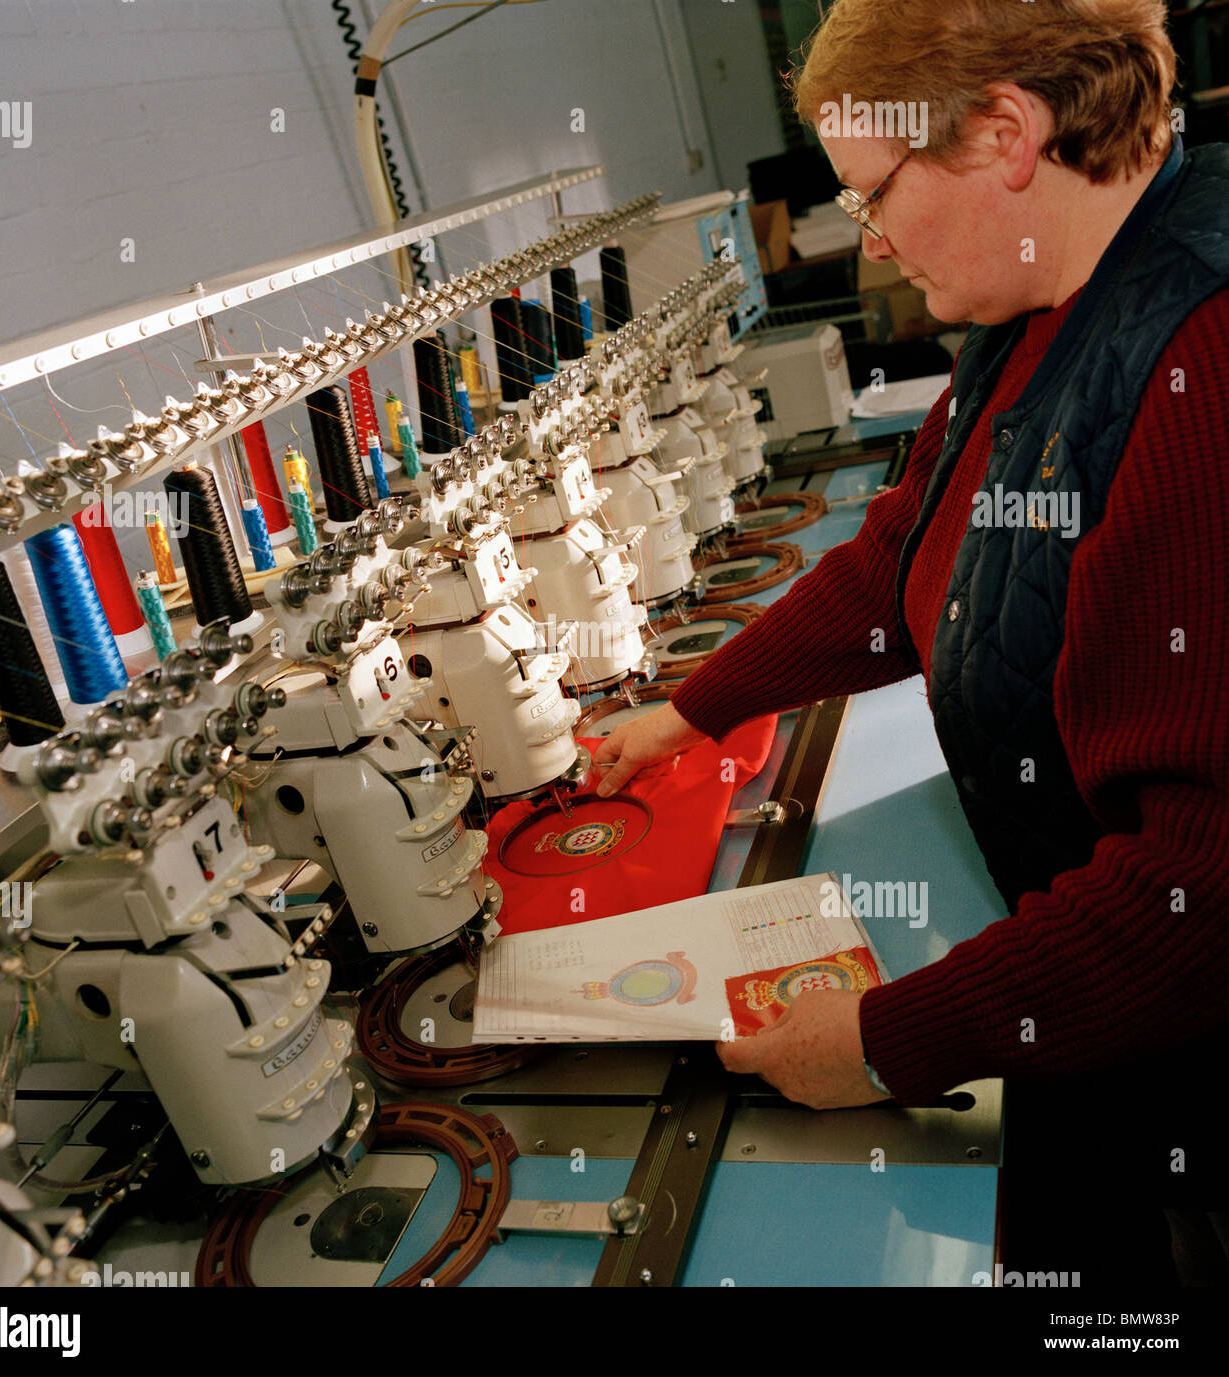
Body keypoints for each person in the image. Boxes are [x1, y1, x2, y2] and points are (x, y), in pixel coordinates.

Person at [594, 0, 1229, 1284]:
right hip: (1114, 1033)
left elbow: (1202, 886)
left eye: (871, 194)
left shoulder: (1197, 361)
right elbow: (903, 562)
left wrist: (889, 1038)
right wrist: (688, 710)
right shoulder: (1043, 303)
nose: (868, 240)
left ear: (1005, 134)